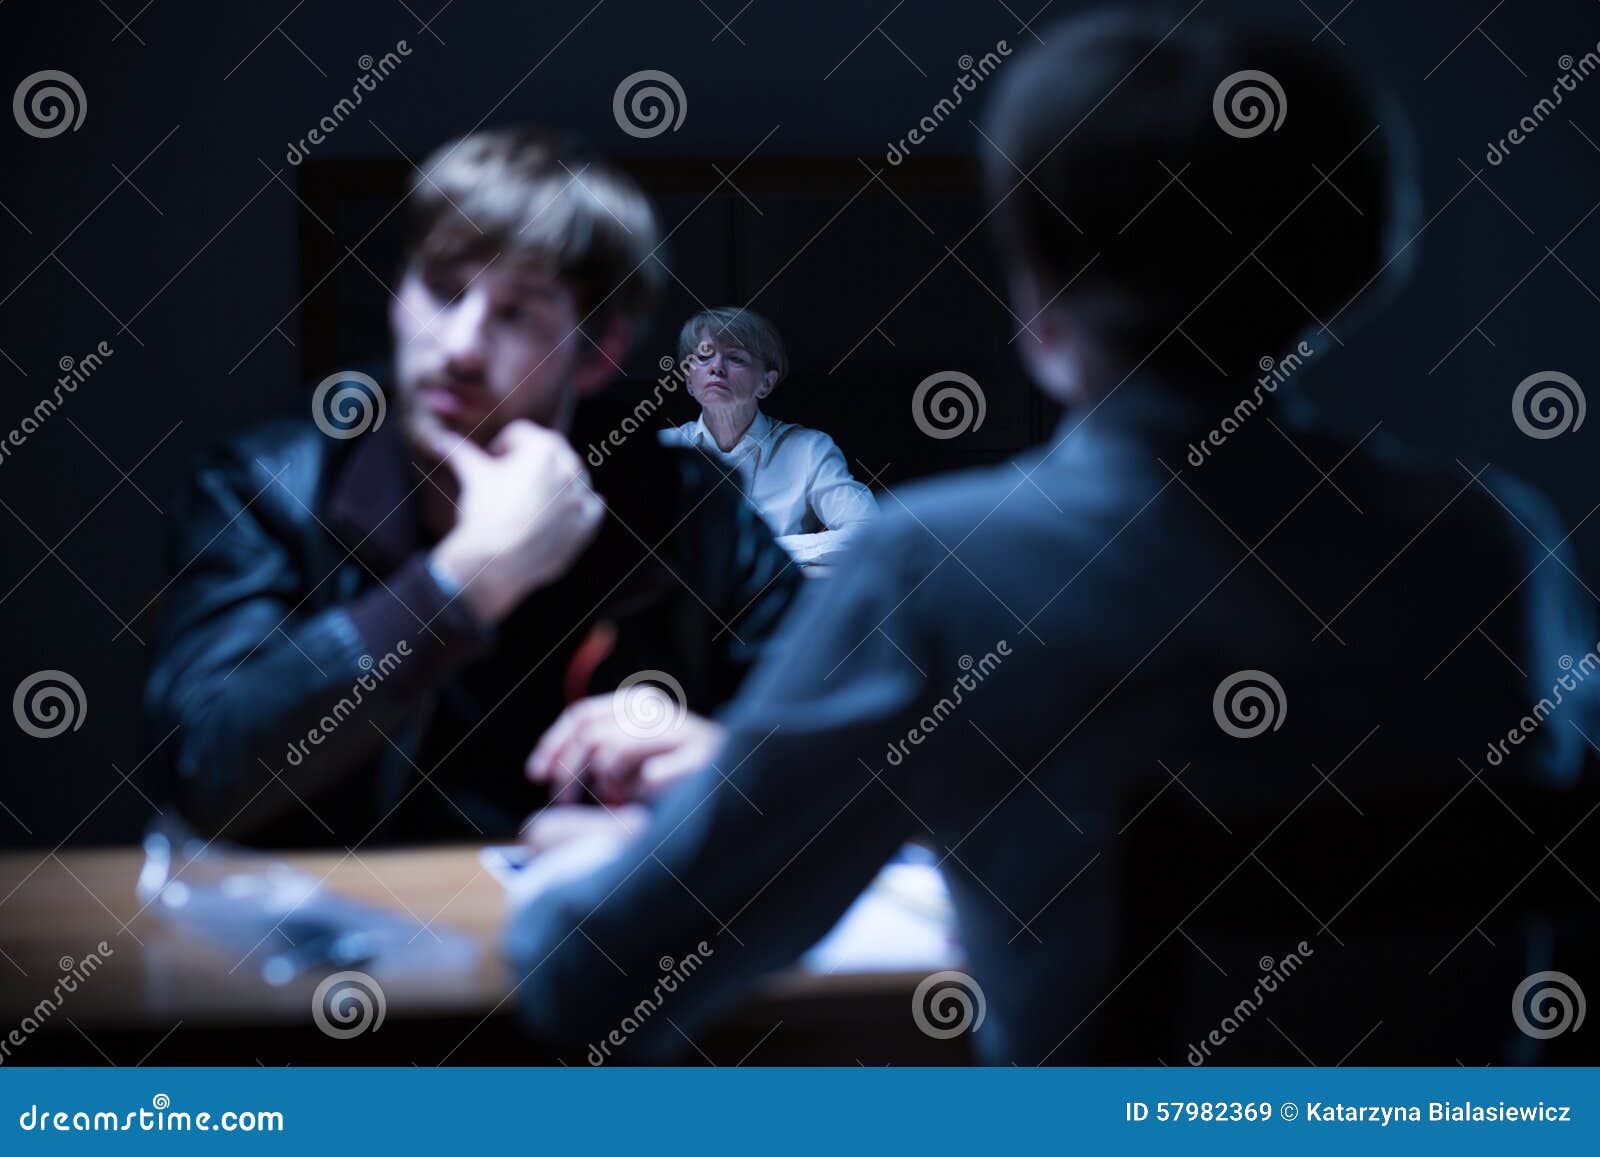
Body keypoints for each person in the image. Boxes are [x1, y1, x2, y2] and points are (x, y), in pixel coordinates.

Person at [504, 12, 1596, 1063]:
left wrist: (586, 873)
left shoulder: (937, 568)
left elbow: (594, 979)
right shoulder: (1493, 541)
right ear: (1356, 261)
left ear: (1035, 286)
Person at [143, 127, 800, 846]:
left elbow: (855, 730)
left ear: (596, 352)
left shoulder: (688, 504)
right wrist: (462, 582)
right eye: (441, 289)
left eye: (516, 312)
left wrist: (728, 762)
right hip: (344, 918)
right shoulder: (265, 489)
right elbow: (205, 770)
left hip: (602, 914)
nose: (459, 346)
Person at [659, 307, 876, 567]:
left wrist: (766, 551)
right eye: (703, 357)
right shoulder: (662, 449)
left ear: (766, 383)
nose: (716, 367)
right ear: (689, 380)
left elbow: (868, 530)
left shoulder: (809, 449)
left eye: (735, 358)